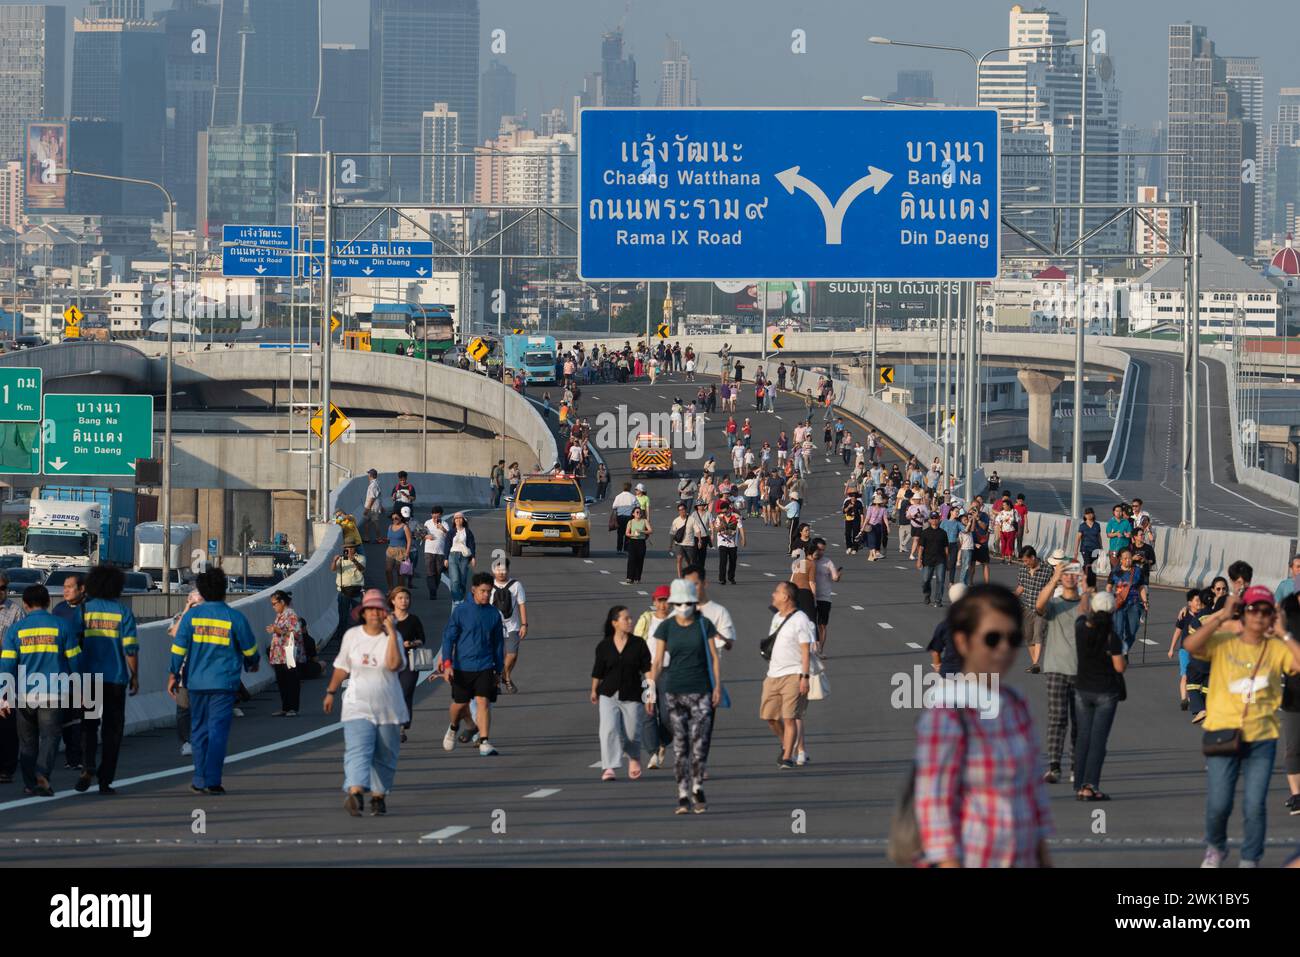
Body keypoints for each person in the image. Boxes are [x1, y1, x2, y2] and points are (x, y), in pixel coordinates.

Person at [913, 585, 1053, 867]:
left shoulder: (1016, 705)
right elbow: (935, 809)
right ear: (963, 642)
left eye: (1012, 638)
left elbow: (1033, 796)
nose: (1003, 648)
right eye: (992, 638)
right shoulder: (947, 716)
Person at [1186, 586, 1300, 867]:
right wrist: (1221, 616)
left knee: (1254, 805)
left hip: (1262, 737)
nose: (1259, 616)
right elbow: (1191, 646)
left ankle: (1250, 859)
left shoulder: (1276, 647)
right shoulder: (1224, 640)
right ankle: (1216, 847)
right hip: (1223, 732)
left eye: (1266, 610)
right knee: (1218, 805)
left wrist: (1284, 633)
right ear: (1244, 612)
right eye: (1253, 609)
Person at [168, 568, 260, 795]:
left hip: (196, 683)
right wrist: (252, 663)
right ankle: (213, 780)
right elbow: (250, 650)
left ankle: (199, 778)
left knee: (198, 731)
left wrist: (173, 674)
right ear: (224, 590)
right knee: (217, 731)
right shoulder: (235, 617)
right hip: (224, 685)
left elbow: (178, 649)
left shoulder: (190, 617)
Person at [324, 588, 406, 816]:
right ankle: (356, 792)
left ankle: (378, 797)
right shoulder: (352, 636)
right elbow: (341, 667)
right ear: (363, 612)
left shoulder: (395, 638)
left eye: (379, 610)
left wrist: (390, 633)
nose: (374, 614)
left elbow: (393, 665)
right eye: (370, 610)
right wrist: (331, 692)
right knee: (358, 750)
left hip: (388, 707)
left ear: (385, 613)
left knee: (385, 753)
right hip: (357, 705)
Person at [649, 579, 722, 814]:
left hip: (701, 690)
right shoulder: (666, 627)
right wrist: (650, 688)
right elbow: (658, 661)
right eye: (679, 602)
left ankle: (697, 786)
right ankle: (682, 794)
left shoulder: (704, 624)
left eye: (687, 602)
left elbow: (713, 657)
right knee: (680, 746)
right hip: (674, 691)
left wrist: (718, 687)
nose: (683, 606)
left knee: (700, 743)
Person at [0, 585, 81, 797]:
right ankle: (42, 774)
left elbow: (6, 665)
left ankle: (29, 783)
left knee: (27, 742)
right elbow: (75, 661)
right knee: (50, 737)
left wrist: (2, 696)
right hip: (54, 693)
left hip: (23, 694)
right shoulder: (62, 626)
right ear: (48, 603)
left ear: (25, 605)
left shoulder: (16, 630)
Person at [438, 573, 505, 756]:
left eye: (489, 592)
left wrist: (499, 671)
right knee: (459, 704)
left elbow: (499, 644)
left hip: (485, 666)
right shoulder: (460, 611)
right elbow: (448, 638)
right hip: (461, 666)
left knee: (483, 701)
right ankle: (453, 727)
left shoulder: (493, 614)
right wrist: (447, 663)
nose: (486, 595)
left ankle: (484, 741)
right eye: (483, 591)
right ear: (473, 589)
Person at [1073, 590, 1126, 801]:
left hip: (1082, 689)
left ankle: (1079, 785)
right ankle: (1090, 785)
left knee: (1083, 738)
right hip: (1105, 692)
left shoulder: (1080, 629)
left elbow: (1080, 612)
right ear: (1113, 610)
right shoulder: (1112, 635)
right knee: (1098, 741)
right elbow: (1120, 667)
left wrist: (1086, 594)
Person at [1035, 559, 1082, 786]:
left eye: (1074, 574)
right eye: (1067, 574)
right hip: (1055, 668)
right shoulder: (1054, 604)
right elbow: (1039, 606)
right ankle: (1054, 766)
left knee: (1079, 721)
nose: (1070, 577)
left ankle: (1076, 766)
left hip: (1081, 671)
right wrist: (1054, 578)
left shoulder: (1086, 605)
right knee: (1057, 718)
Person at [592, 606, 652, 781]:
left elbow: (647, 670)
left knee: (632, 732)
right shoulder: (604, 646)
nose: (630, 621)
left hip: (632, 693)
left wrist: (651, 695)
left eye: (630, 618)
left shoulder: (638, 644)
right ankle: (609, 766)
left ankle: (633, 758)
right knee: (608, 729)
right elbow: (598, 671)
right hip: (608, 694)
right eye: (626, 619)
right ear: (615, 623)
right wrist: (594, 690)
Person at [761, 582, 816, 769]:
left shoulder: (800, 619)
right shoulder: (776, 617)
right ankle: (786, 742)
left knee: (790, 717)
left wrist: (805, 677)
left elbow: (805, 650)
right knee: (770, 717)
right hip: (773, 675)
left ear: (786, 597)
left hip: (794, 674)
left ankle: (787, 757)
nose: (773, 594)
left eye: (777, 592)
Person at [635, 586, 674, 769]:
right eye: (660, 600)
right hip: (648, 673)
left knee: (669, 716)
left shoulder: (676, 622)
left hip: (670, 673)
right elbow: (636, 644)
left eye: (666, 600)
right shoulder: (646, 620)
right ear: (654, 601)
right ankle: (652, 753)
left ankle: (662, 742)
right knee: (648, 713)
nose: (663, 604)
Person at [50, 573, 86, 771]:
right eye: (64, 587)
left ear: (82, 589)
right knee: (67, 717)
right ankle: (72, 756)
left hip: (87, 670)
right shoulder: (59, 610)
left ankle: (81, 756)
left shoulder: (89, 609)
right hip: (64, 673)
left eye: (70, 587)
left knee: (86, 717)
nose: (65, 590)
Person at [1015, 547, 1056, 674]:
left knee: (1038, 633)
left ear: (1033, 557)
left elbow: (1052, 587)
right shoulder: (1022, 569)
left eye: (1026, 561)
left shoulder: (1047, 569)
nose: (1025, 563)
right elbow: (1021, 587)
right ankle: (1035, 664)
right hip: (1026, 607)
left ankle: (1035, 662)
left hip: (1041, 608)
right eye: (1023, 561)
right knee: (1029, 636)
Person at [265, 590, 304, 718]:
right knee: (282, 681)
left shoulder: (290, 614)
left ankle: (293, 708)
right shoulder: (280, 615)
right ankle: (285, 707)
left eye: (274, 604)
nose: (273, 607)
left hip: (288, 653)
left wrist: (278, 630)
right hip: (279, 654)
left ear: (282, 602)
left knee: (291, 680)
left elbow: (296, 634)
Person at [491, 559, 527, 693]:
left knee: (512, 655)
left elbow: (521, 604)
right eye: (498, 570)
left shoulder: (516, 585)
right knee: (498, 655)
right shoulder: (489, 586)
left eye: (504, 570)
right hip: (494, 627)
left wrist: (524, 624)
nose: (501, 573)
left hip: (513, 626)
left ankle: (502, 676)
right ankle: (502, 681)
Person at [1106, 549, 1148, 656]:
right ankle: (1119, 654)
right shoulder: (1115, 571)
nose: (1128, 560)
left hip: (1134, 604)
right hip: (1119, 604)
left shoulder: (1138, 571)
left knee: (1132, 632)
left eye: (1130, 558)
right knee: (1118, 631)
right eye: (1125, 558)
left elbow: (1141, 587)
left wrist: (1144, 601)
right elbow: (1109, 586)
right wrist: (1108, 598)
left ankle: (1124, 650)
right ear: (1120, 559)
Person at [811, 538, 842, 655]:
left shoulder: (828, 562)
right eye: (819, 549)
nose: (820, 552)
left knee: (822, 625)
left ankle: (820, 650)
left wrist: (838, 576)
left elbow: (834, 577)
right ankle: (810, 648)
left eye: (823, 550)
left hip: (824, 598)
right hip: (810, 598)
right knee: (810, 625)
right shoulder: (808, 561)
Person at [331, 544, 367, 645]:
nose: (349, 550)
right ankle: (341, 635)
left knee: (358, 616)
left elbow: (362, 569)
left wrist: (353, 560)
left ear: (355, 549)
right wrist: (334, 561)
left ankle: (359, 636)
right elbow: (333, 569)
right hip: (344, 590)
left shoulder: (361, 558)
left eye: (352, 548)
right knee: (343, 615)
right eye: (347, 548)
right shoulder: (341, 559)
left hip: (356, 590)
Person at [917, 512, 949, 608]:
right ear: (929, 520)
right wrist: (919, 560)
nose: (934, 520)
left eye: (936, 518)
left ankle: (938, 600)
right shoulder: (925, 532)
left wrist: (947, 561)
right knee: (926, 580)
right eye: (932, 518)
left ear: (939, 520)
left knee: (940, 580)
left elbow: (946, 548)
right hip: (928, 560)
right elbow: (921, 548)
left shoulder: (943, 533)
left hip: (940, 560)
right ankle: (927, 594)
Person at [446, 512, 476, 604]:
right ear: (454, 521)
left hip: (464, 557)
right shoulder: (451, 532)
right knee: (455, 580)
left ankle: (460, 597)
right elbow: (447, 545)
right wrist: (445, 558)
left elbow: (472, 545)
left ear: (463, 520)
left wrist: (473, 558)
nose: (458, 520)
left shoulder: (467, 531)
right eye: (456, 518)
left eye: (460, 518)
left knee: (462, 580)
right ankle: (457, 600)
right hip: (452, 556)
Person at [713, 501, 745, 585]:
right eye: (722, 511)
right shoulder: (719, 517)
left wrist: (743, 539)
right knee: (723, 561)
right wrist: (721, 524)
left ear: (729, 509)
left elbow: (741, 528)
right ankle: (722, 579)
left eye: (725, 511)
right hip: (722, 542)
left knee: (732, 561)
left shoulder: (736, 516)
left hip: (733, 543)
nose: (724, 513)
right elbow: (716, 529)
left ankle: (731, 578)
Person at [423, 506, 448, 601]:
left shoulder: (444, 523)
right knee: (430, 573)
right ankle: (432, 592)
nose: (435, 517)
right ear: (431, 514)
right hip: (429, 551)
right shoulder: (427, 523)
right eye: (434, 515)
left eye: (438, 515)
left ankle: (434, 588)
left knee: (438, 573)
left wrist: (443, 529)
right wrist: (426, 536)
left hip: (440, 552)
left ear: (441, 515)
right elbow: (421, 534)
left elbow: (449, 536)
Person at [623, 505, 652, 585]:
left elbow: (650, 530)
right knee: (631, 560)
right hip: (633, 542)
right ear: (633, 514)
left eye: (640, 512)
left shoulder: (644, 521)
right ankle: (629, 577)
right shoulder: (631, 522)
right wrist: (633, 535)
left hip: (641, 542)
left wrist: (642, 531)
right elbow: (627, 533)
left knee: (640, 560)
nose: (639, 513)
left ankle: (637, 578)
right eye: (637, 512)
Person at [611, 483, 637, 553]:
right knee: (628, 533)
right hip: (629, 517)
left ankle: (619, 549)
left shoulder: (618, 496)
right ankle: (626, 549)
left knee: (620, 534)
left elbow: (614, 507)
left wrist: (615, 519)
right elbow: (637, 507)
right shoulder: (633, 497)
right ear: (630, 488)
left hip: (620, 517)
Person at [362, 468, 384, 543]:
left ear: (371, 475)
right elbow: (379, 496)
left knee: (375, 523)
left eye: (368, 474)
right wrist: (381, 506)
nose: (368, 475)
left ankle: (378, 538)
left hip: (372, 508)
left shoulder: (373, 485)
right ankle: (367, 537)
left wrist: (367, 508)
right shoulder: (377, 483)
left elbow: (372, 497)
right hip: (374, 507)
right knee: (368, 522)